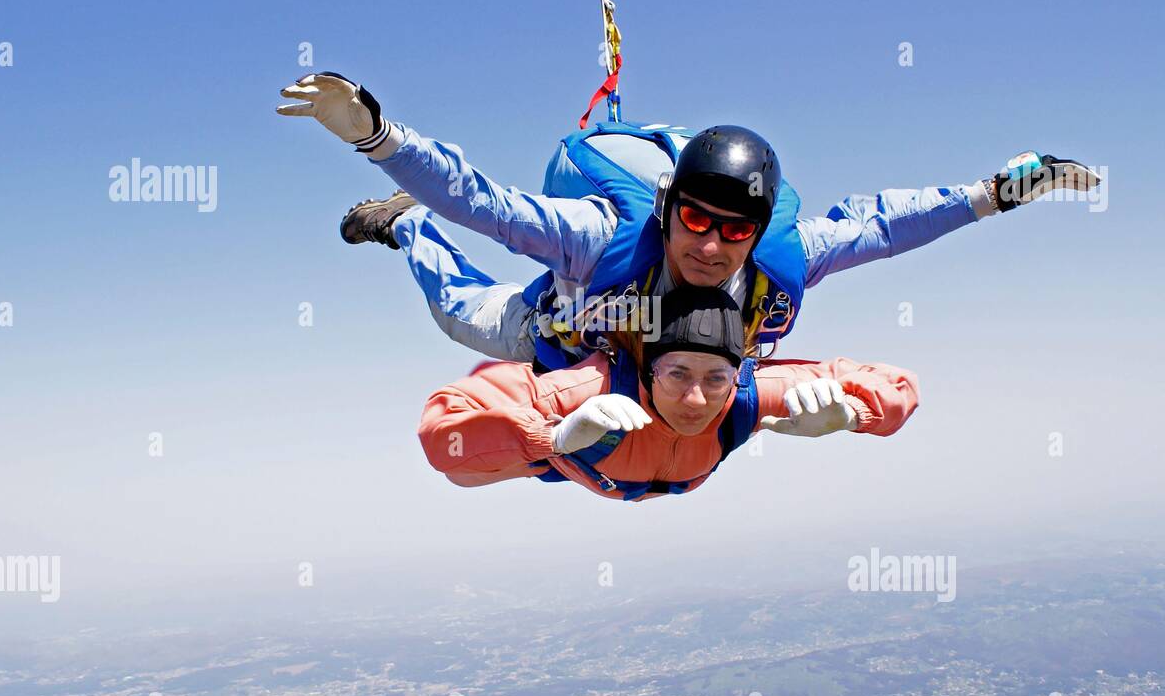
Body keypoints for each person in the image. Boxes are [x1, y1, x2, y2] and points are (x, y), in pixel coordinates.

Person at [277, 72, 1100, 370]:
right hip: (558, 328)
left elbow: (885, 225)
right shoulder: (596, 233)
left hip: (656, 353)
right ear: (668, 207)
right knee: (461, 316)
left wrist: (999, 191)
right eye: (696, 221)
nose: (710, 245)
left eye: (734, 231)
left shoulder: (784, 255)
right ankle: (404, 229)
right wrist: (384, 141)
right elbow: (486, 203)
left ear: (759, 227)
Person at [417, 287, 919, 502]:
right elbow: (444, 436)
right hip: (570, 458)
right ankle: (408, 225)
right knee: (462, 309)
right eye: (678, 373)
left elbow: (898, 385)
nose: (698, 400)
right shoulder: (584, 392)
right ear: (649, 368)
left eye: (715, 378)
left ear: (738, 371)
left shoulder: (750, 395)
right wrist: (549, 435)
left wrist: (852, 414)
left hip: (612, 470)